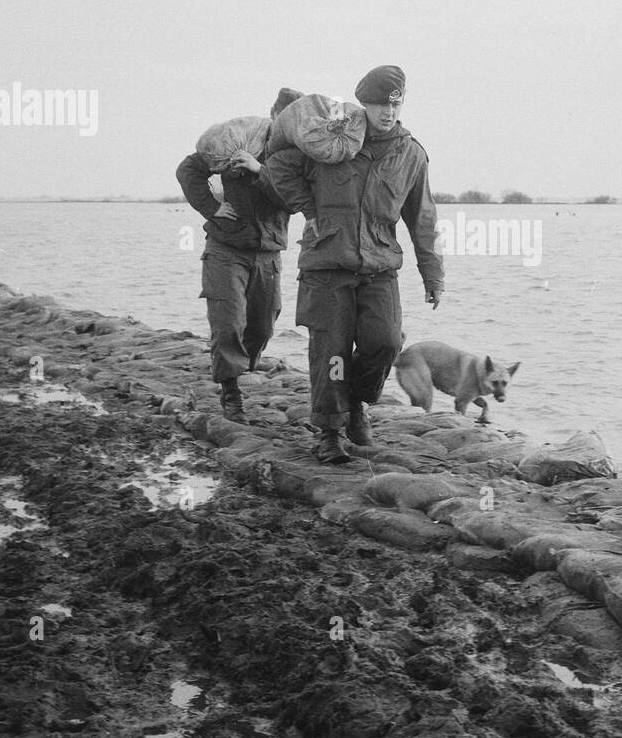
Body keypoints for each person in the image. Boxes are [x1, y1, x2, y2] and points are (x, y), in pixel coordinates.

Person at [260, 65, 443, 464]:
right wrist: (307, 208)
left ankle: (357, 403)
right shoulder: (334, 139)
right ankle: (328, 433)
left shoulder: (411, 154)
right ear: (364, 103)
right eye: (379, 105)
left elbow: (422, 218)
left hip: (379, 267)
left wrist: (433, 275)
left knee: (386, 342)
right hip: (327, 265)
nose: (388, 113)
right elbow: (277, 167)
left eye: (395, 105)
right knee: (332, 352)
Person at [175, 92, 301, 422]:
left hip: (268, 254)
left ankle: (236, 370)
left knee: (262, 328)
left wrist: (260, 170)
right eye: (283, 117)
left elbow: (294, 202)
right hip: (226, 249)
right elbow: (188, 169)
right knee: (228, 321)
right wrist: (212, 208)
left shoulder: (299, 157)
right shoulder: (237, 142)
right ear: (274, 114)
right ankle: (231, 393)